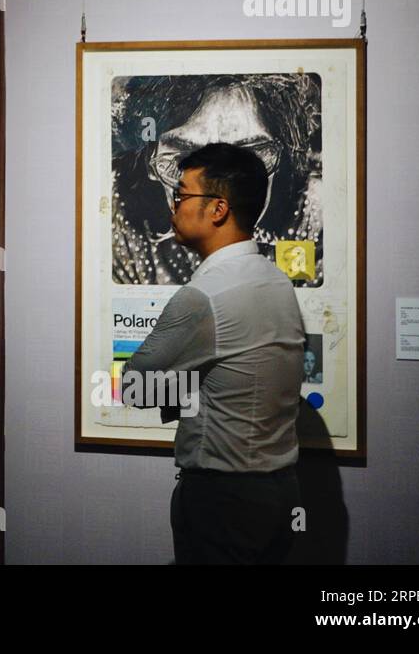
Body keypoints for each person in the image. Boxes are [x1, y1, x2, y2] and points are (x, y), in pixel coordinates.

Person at [121, 142, 304, 564]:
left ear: (218, 209)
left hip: (222, 499)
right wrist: (204, 383)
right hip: (280, 491)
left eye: (182, 195)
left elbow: (134, 385)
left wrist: (190, 385)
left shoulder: (203, 295)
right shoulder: (276, 282)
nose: (174, 206)